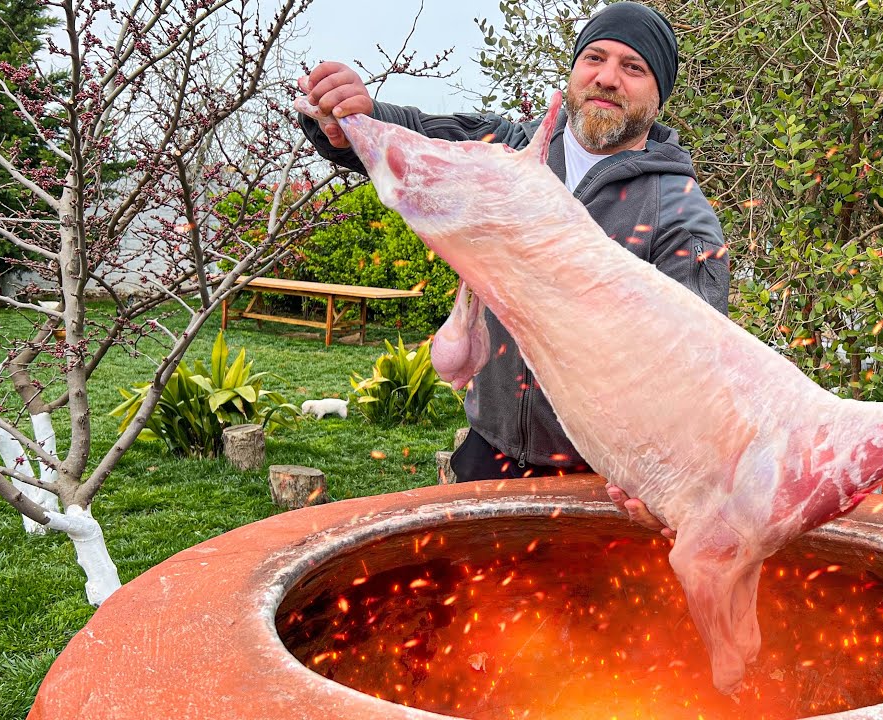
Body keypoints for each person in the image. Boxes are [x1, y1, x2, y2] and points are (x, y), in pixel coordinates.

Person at [297, 2, 725, 536]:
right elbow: (417, 135)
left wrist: (674, 484)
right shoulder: (510, 150)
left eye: (633, 68)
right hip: (487, 455)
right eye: (595, 57)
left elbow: (697, 373)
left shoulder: (680, 212)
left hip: (598, 486)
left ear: (659, 95)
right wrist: (348, 117)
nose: (608, 78)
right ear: (573, 69)